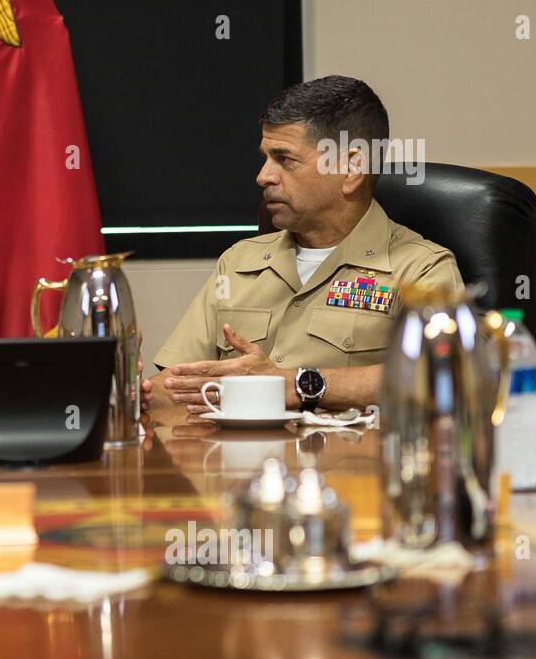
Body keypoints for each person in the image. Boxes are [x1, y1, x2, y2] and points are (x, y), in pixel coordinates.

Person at [143, 75, 462, 414]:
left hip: (349, 449)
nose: (263, 176)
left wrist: (297, 385)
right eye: (266, 158)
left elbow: (444, 377)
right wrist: (135, 394)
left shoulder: (420, 269)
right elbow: (178, 385)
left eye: (284, 159)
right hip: (235, 449)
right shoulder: (237, 262)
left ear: (352, 168)